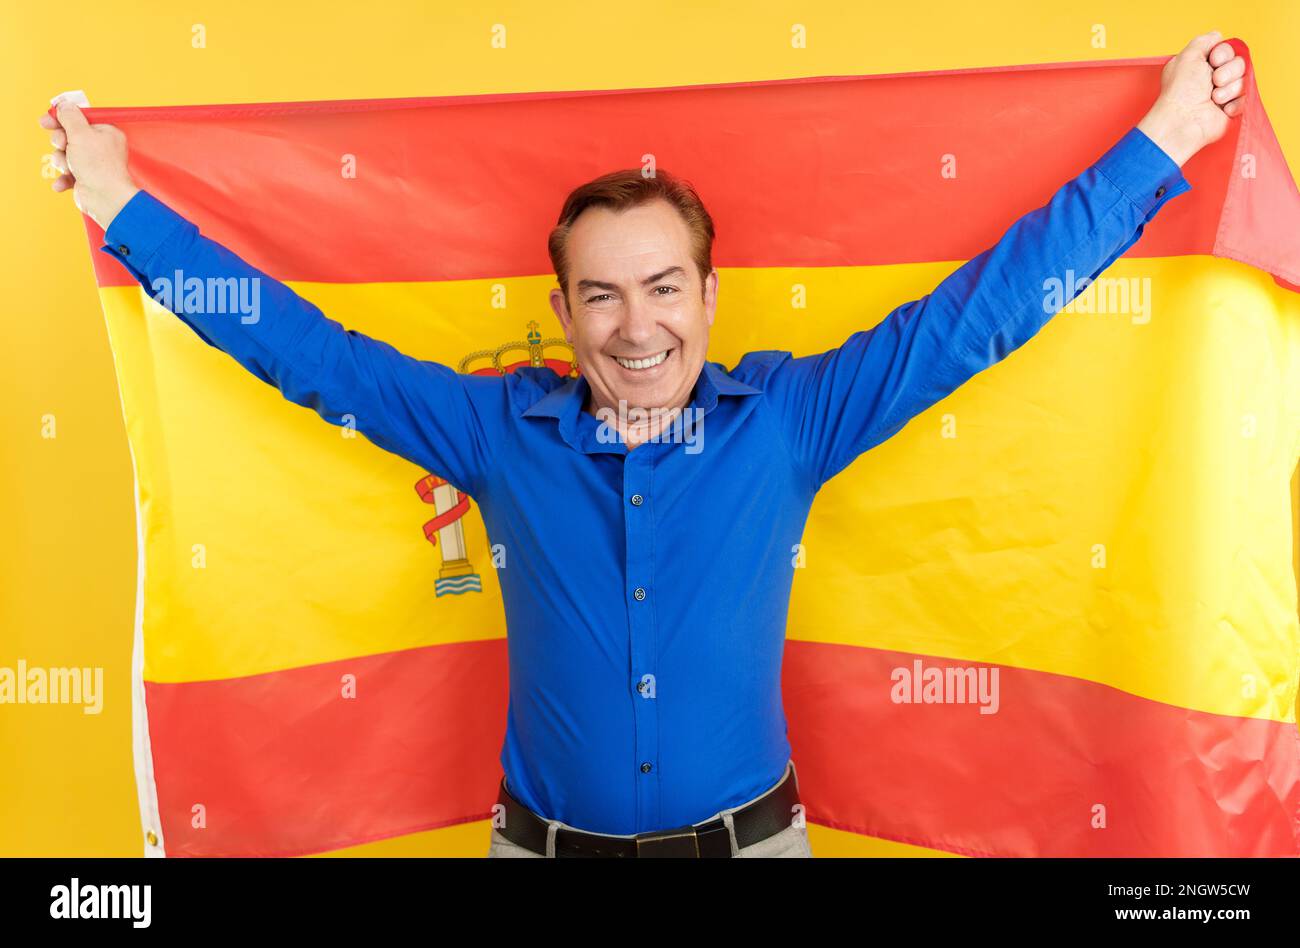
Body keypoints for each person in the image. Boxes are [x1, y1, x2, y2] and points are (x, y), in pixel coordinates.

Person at [41, 32, 1247, 858]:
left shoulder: (789, 423)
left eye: (663, 288)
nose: (636, 328)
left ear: (710, 300)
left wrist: (1168, 136)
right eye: (602, 297)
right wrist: (117, 203)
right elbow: (307, 354)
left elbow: (980, 315)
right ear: (560, 315)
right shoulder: (493, 430)